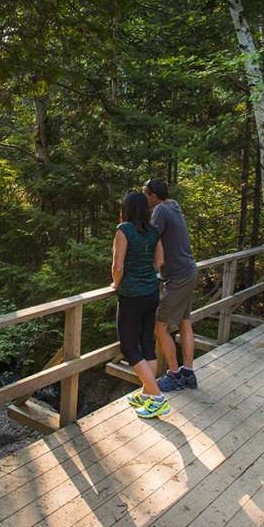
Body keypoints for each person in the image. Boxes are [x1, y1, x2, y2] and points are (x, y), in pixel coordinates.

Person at [111, 190, 171, 419]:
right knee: (146, 343)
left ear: (125, 209)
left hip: (131, 296)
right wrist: (146, 273)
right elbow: (160, 262)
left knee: (128, 346)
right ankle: (147, 394)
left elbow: (118, 267)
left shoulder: (123, 230)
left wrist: (116, 284)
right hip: (151, 293)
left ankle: (157, 398)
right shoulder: (154, 231)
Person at [145, 178, 200, 392]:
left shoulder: (160, 210)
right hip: (188, 271)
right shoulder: (174, 207)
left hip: (178, 276)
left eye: (146, 194)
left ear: (153, 195)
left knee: (159, 327)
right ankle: (188, 373)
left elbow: (150, 238)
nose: (145, 198)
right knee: (185, 322)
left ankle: (175, 375)